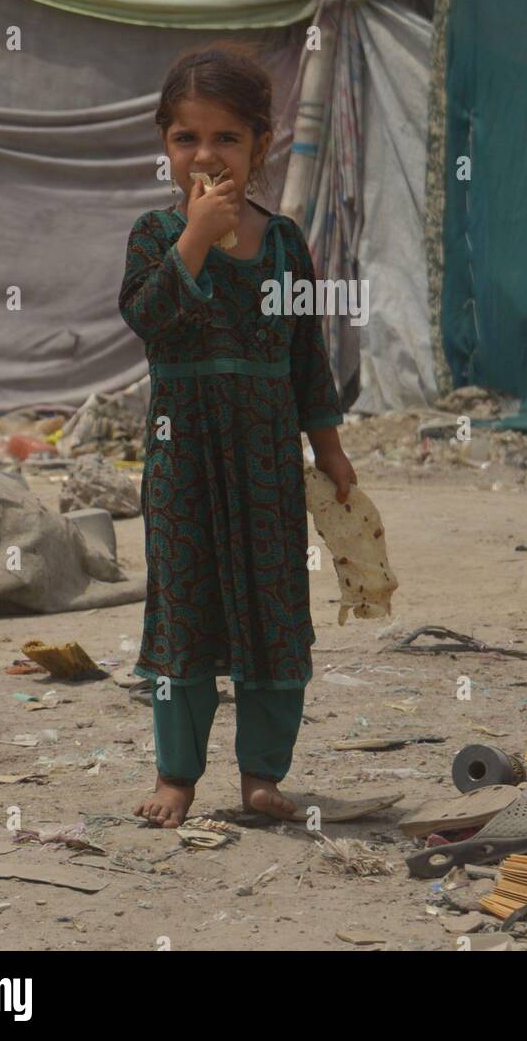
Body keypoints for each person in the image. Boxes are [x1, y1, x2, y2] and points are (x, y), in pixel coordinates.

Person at [118, 45, 356, 828]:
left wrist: (327, 447)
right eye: (186, 138)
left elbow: (305, 357)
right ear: (164, 143)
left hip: (262, 456)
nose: (205, 155)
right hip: (182, 451)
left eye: (225, 138)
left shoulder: (284, 243)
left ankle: (261, 775)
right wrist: (194, 239)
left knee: (273, 603)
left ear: (260, 144)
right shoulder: (155, 235)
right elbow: (148, 318)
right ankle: (176, 778)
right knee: (183, 607)